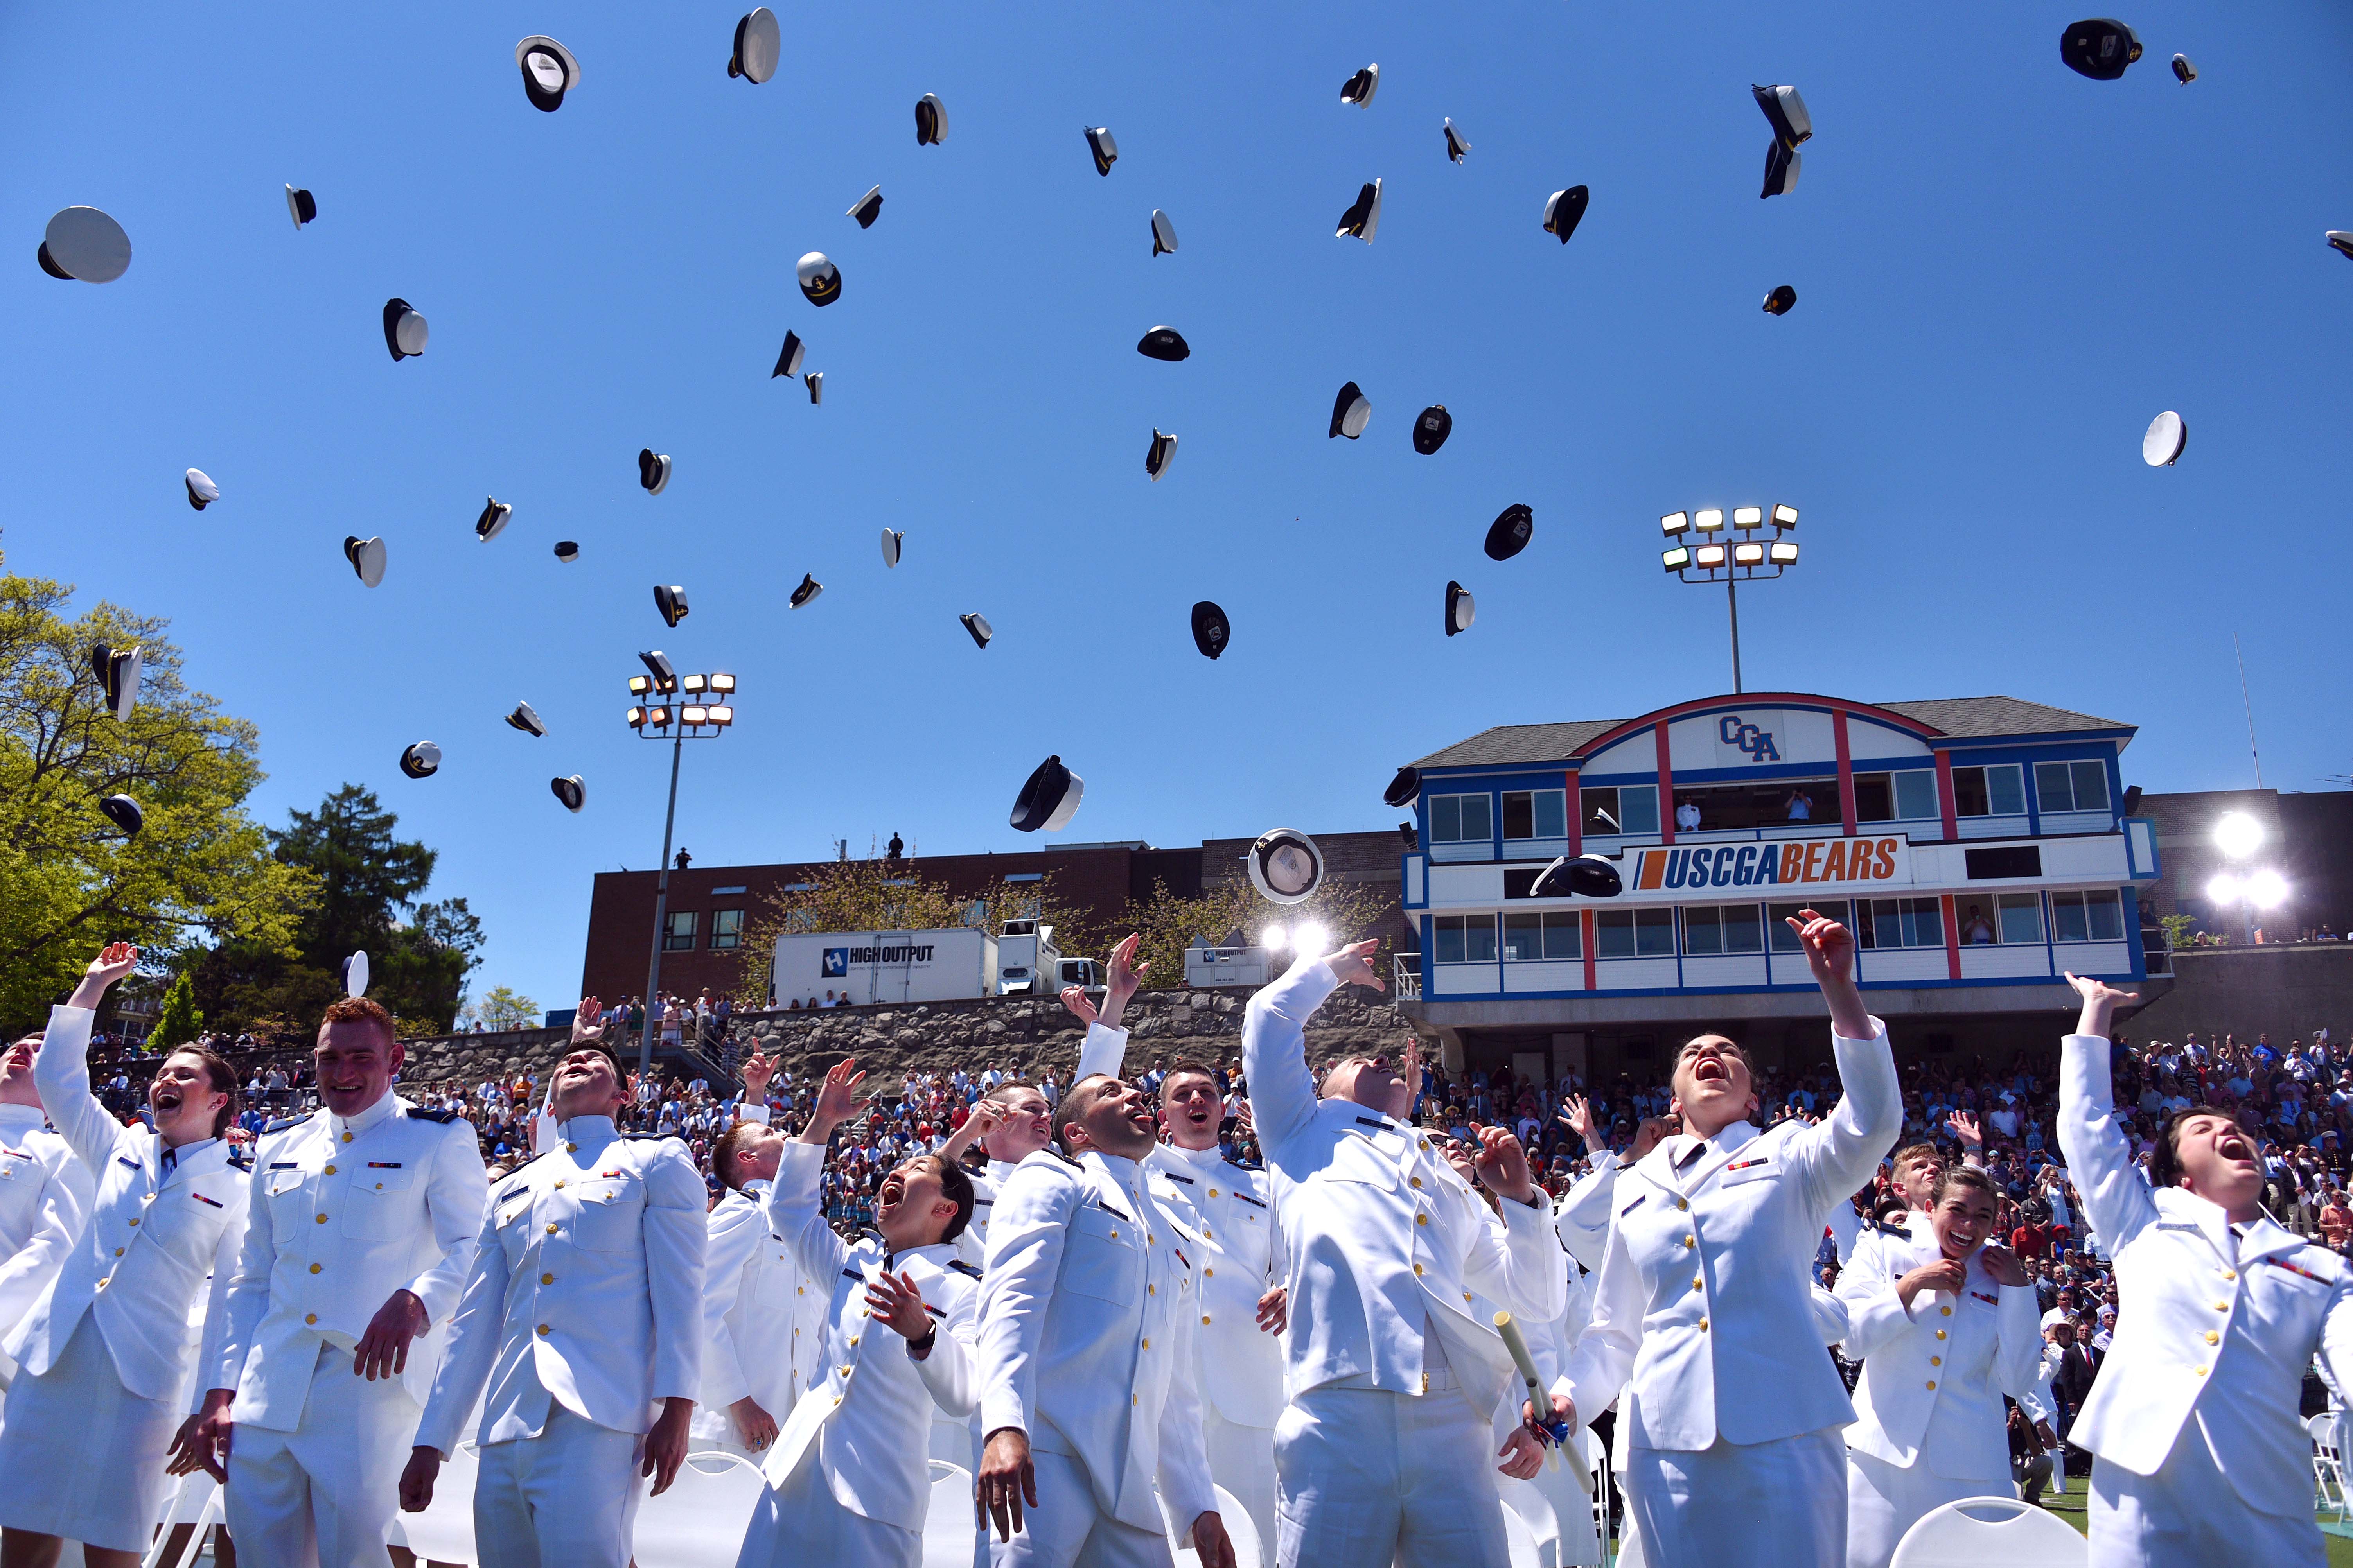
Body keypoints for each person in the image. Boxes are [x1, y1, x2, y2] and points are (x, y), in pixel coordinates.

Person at [1540, 908, 1901, 1568]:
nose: (1709, 1055)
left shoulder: (1791, 1155)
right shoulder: (1638, 1183)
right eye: (1692, 1054)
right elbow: (1615, 1332)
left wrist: (1840, 992)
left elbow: (1873, 1123)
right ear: (1674, 1099)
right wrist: (1568, 1398)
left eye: (1727, 1051)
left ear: (1752, 1098)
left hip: (1785, 1431)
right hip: (1665, 1440)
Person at [1242, 939, 1561, 1568]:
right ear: (1320, 1087)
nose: (1382, 1058)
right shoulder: (1301, 1127)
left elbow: (1538, 1297)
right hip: (1338, 1409)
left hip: (1451, 1421)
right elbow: (1268, 1019)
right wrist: (1334, 970)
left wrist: (1522, 1200)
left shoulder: (1443, 1173)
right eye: (1362, 1056)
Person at [176, 994, 489, 1568]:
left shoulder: (436, 1137)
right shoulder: (279, 1143)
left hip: (365, 1392)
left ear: (394, 1059)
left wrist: (419, 1298)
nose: (342, 1073)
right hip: (268, 1386)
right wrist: (218, 1393)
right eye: (328, 1058)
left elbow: (475, 1249)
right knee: (258, 1555)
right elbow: (252, 1278)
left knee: (355, 1557)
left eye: (361, 1057)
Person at [2055, 971, 2353, 1567]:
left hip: (2267, 1495)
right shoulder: (2141, 1221)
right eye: (2204, 1129)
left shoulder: (2320, 1265)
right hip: (2142, 1484)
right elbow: (2087, 1129)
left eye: (2238, 1129)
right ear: (2179, 1173)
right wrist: (2095, 1012)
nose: (2229, 1131)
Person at [399, 1030, 706, 1568]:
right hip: (507, 1421)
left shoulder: (654, 1160)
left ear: (624, 1093)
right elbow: (473, 1323)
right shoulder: (513, 1186)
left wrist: (677, 1409)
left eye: (594, 1059)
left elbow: (681, 1293)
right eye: (566, 1060)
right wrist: (433, 1441)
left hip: (599, 1416)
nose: (577, 1060)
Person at [0, 943, 248, 1568]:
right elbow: (59, 1079)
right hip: (54, 1362)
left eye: (185, 1075)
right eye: (162, 1070)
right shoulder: (118, 1146)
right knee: (23, 1532)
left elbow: (231, 1301)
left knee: (116, 1544)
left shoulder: (238, 1189)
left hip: (144, 1384)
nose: (166, 1079)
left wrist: (211, 1401)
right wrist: (92, 985)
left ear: (220, 1101)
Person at [974, 1066, 1234, 1568]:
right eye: (1110, 1092)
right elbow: (1011, 1302)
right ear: (1077, 1133)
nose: (1134, 1092)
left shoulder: (1172, 1231)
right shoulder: (1053, 1178)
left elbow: (1172, 1382)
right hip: (1043, 1461)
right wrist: (1003, 1425)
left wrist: (1198, 1504)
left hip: (1131, 1483)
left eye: (1133, 1089)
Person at [736, 1058, 981, 1568]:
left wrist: (923, 1334)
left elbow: (964, 1394)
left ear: (946, 1210)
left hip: (877, 1496)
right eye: (897, 1167)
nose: (896, 1171)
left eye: (918, 1171)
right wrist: (822, 1121)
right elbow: (790, 1212)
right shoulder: (853, 1260)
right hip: (795, 1476)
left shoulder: (964, 1290)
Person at [1835, 1164, 2041, 1568]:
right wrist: (1909, 1285)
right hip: (1883, 1458)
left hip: (1973, 1463)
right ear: (1929, 1208)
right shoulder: (1883, 1247)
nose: (1968, 1225)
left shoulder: (2002, 1271)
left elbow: (2017, 1380)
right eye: (1957, 1210)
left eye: (1982, 1216)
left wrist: (2020, 1292)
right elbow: (1851, 1340)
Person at [697, 1048, 826, 1458]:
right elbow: (697, 1303)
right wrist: (739, 1401)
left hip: (788, 1428)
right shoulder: (744, 1210)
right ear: (749, 1159)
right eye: (773, 1133)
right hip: (732, 1428)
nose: (785, 1133)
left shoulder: (797, 1224)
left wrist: (756, 1095)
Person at [0, 1019, 97, 1385]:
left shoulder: (64, 1152)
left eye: (42, 1052)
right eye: (18, 1045)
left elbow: (53, 1248)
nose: (25, 1049)